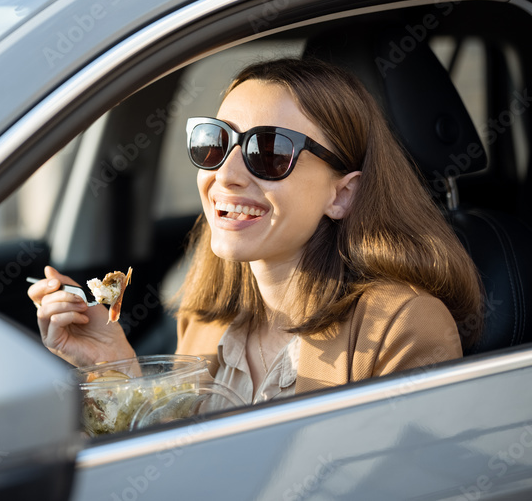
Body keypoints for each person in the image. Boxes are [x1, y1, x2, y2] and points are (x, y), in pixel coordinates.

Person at [28, 57, 483, 405]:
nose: (225, 175)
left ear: (342, 195)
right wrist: (115, 364)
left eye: (267, 153)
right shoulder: (206, 320)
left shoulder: (402, 327)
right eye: (215, 142)